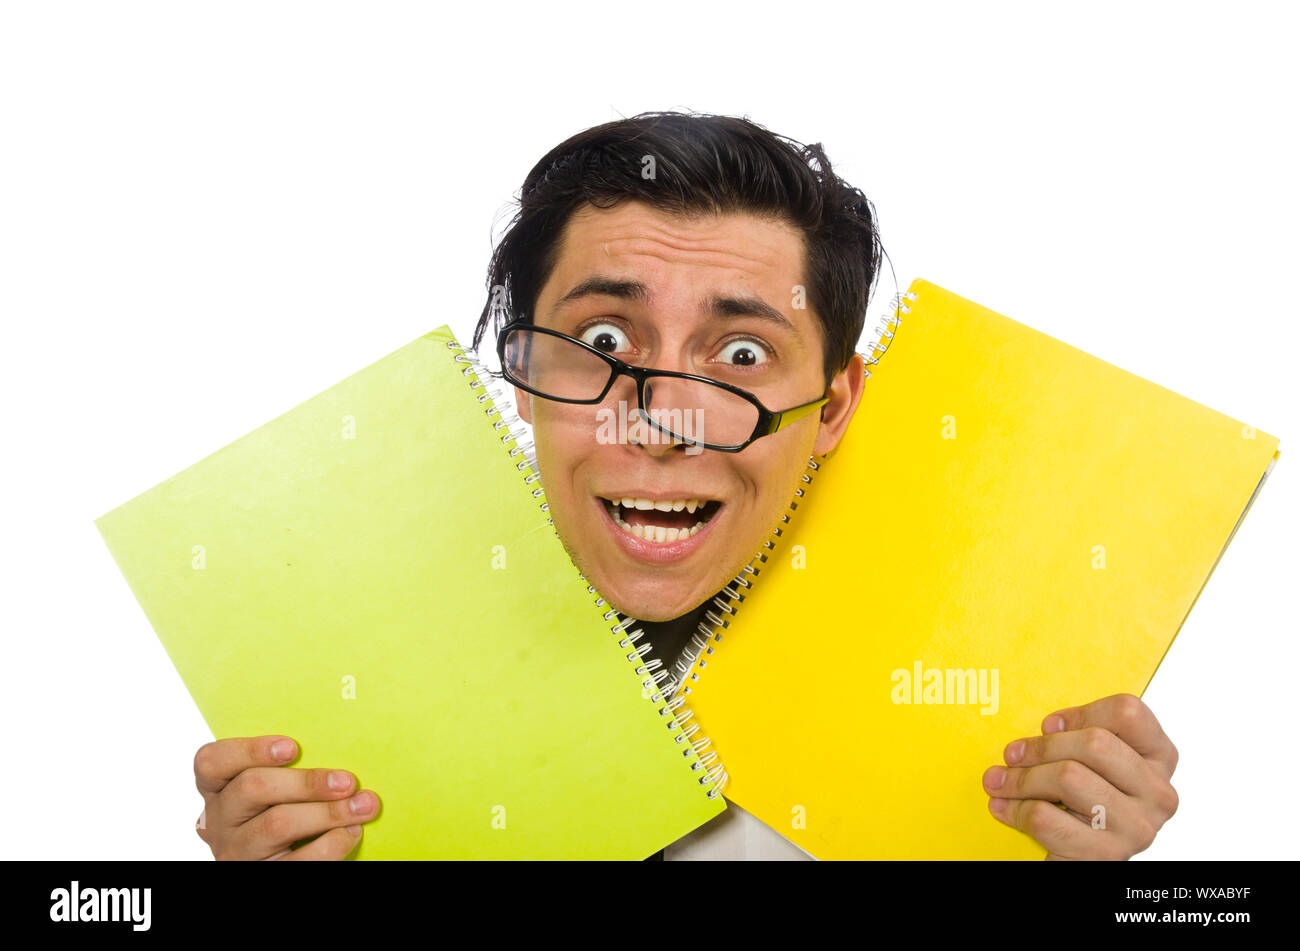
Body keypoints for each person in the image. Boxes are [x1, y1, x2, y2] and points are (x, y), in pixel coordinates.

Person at [192, 112, 1180, 861]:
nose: (658, 421)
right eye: (603, 342)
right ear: (516, 371)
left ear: (834, 405)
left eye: (742, 351)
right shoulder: (332, 677)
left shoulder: (1011, 692)